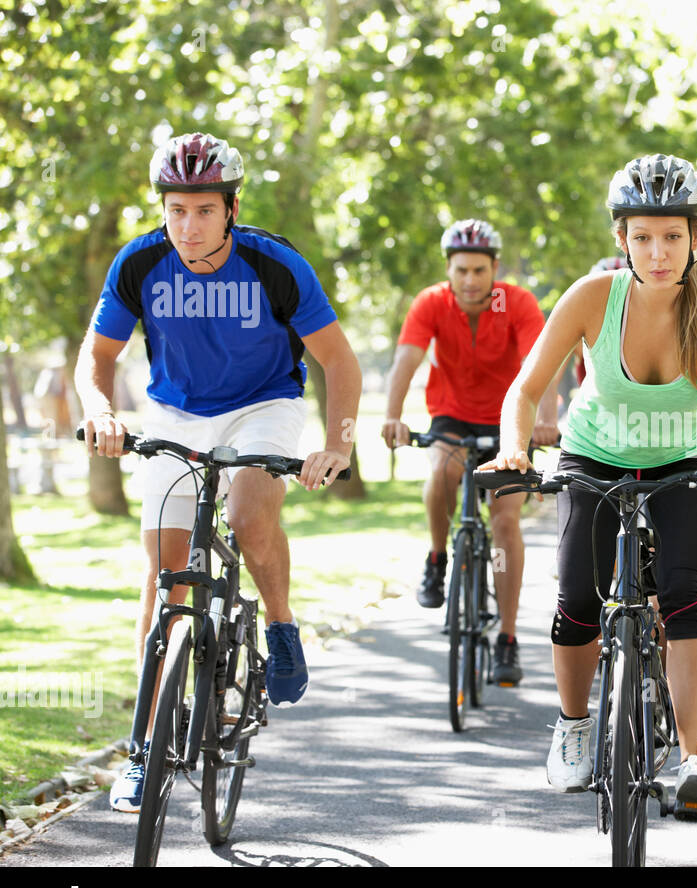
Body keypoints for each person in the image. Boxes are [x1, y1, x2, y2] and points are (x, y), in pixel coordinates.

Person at [485, 154, 697, 817]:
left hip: (688, 461)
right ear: (621, 238)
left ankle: (696, 759)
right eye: (642, 236)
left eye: (673, 236)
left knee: (683, 596)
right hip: (594, 456)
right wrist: (513, 446)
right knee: (577, 600)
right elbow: (527, 388)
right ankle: (574, 726)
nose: (658, 251)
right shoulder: (594, 296)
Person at [75, 131, 362, 811]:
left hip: (265, 403)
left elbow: (339, 362)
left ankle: (282, 624)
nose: (188, 226)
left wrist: (338, 446)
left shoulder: (276, 265)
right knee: (165, 585)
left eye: (204, 210)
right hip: (175, 416)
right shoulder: (140, 263)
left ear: (232, 207)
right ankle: (143, 751)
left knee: (246, 515)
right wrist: (102, 412)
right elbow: (96, 359)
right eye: (176, 210)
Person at [381, 219, 557, 686]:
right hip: (453, 415)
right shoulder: (431, 303)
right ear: (449, 269)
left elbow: (543, 362)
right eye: (461, 270)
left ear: (495, 268)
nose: (471, 280)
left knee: (504, 521)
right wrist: (393, 414)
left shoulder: (516, 303)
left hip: (509, 420)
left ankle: (509, 639)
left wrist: (544, 421)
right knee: (439, 472)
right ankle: (438, 558)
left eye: (480, 270)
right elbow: (406, 358)